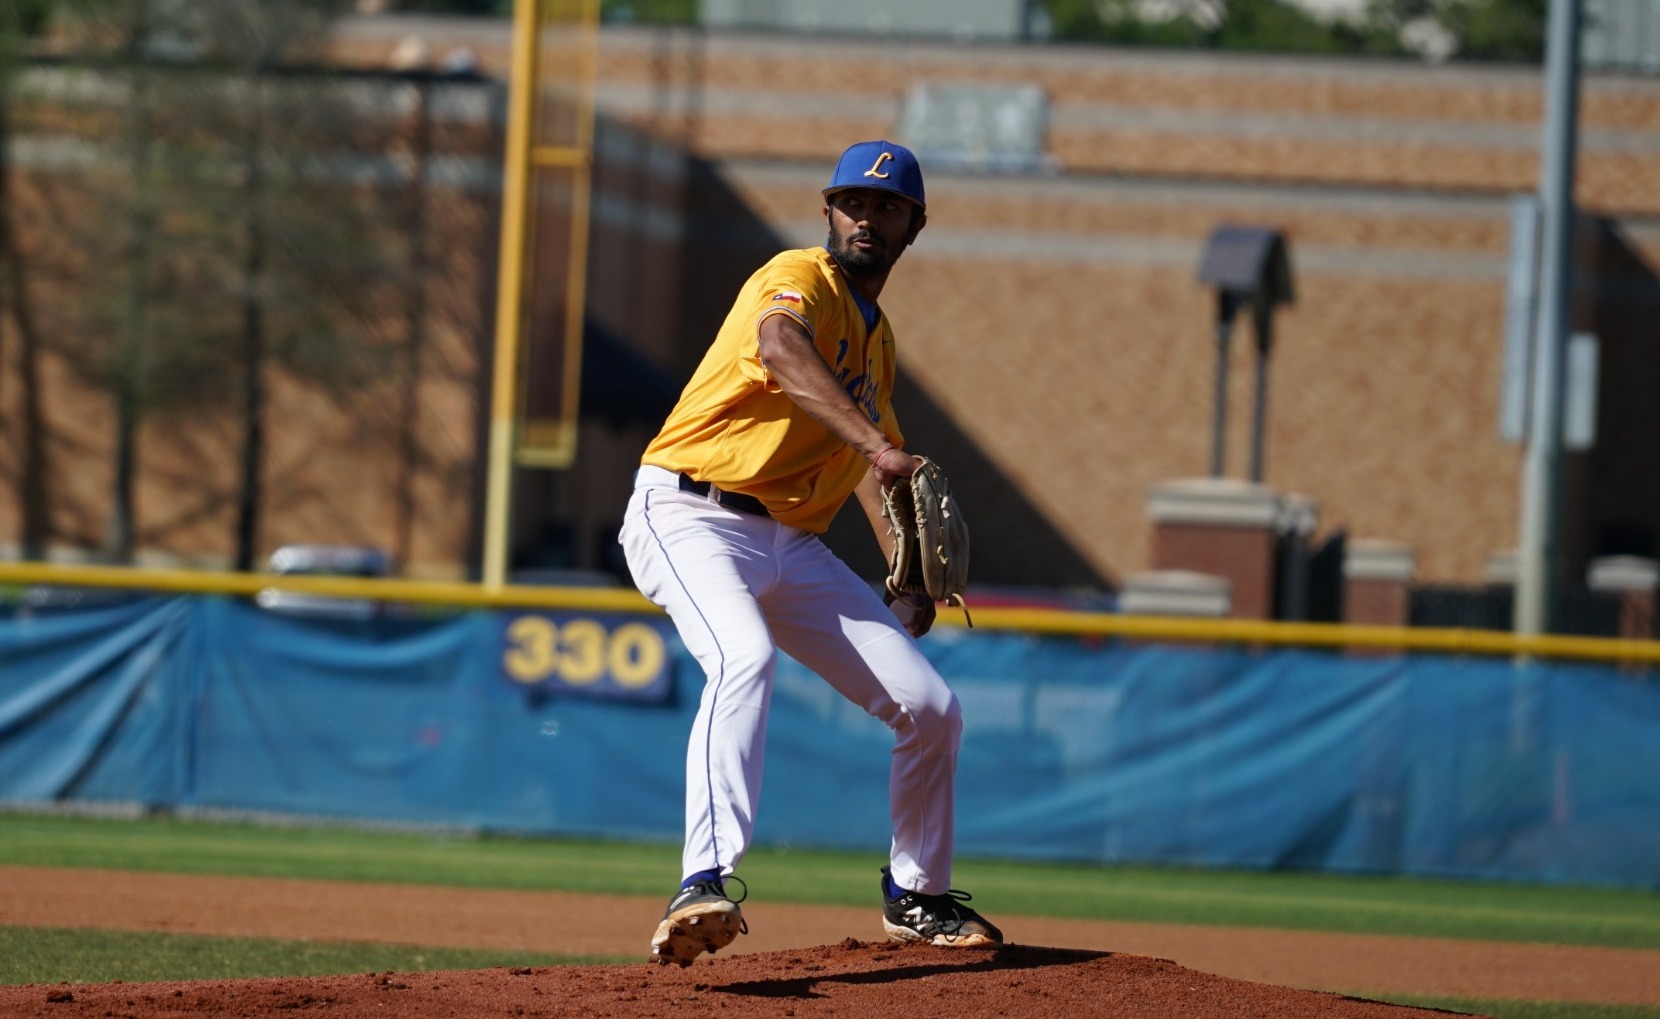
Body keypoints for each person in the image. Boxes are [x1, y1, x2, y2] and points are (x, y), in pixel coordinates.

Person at [618, 139, 1002, 967]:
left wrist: (903, 570)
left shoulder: (878, 341)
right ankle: (702, 879)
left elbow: (876, 466)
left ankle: (919, 895)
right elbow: (785, 354)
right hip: (687, 509)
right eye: (853, 203)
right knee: (743, 656)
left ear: (914, 226)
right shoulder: (798, 277)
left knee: (930, 707)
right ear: (828, 212)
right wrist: (876, 444)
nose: (867, 217)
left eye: (887, 207)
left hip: (790, 543)